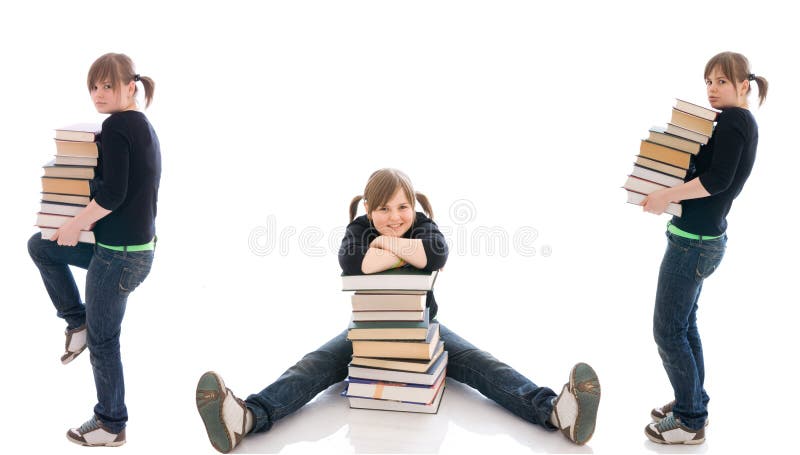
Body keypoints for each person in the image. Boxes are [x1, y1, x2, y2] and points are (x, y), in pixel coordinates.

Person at [196, 168, 601, 453]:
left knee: (484, 365)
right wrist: (407, 252)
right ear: (369, 210)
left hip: (425, 329)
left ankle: (555, 411)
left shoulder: (422, 223)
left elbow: (437, 253)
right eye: (384, 210)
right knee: (312, 366)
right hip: (367, 333)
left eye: (402, 207)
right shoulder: (358, 229)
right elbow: (354, 264)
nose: (394, 218)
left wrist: (383, 247)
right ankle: (247, 417)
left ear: (414, 205)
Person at [27, 53, 161, 447]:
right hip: (130, 251)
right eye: (95, 86)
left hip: (119, 256)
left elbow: (114, 195)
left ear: (130, 87)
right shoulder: (139, 125)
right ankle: (76, 321)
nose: (99, 93)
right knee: (41, 246)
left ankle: (111, 423)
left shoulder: (119, 126)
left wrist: (74, 225)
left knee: (105, 342)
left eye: (108, 85)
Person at [641, 52, 767, 445]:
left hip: (693, 245)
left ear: (743, 85)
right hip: (700, 238)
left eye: (722, 82)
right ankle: (691, 400)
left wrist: (666, 195)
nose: (713, 89)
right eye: (709, 82)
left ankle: (690, 420)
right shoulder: (734, 121)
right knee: (684, 325)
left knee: (667, 331)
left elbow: (716, 181)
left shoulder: (734, 121)